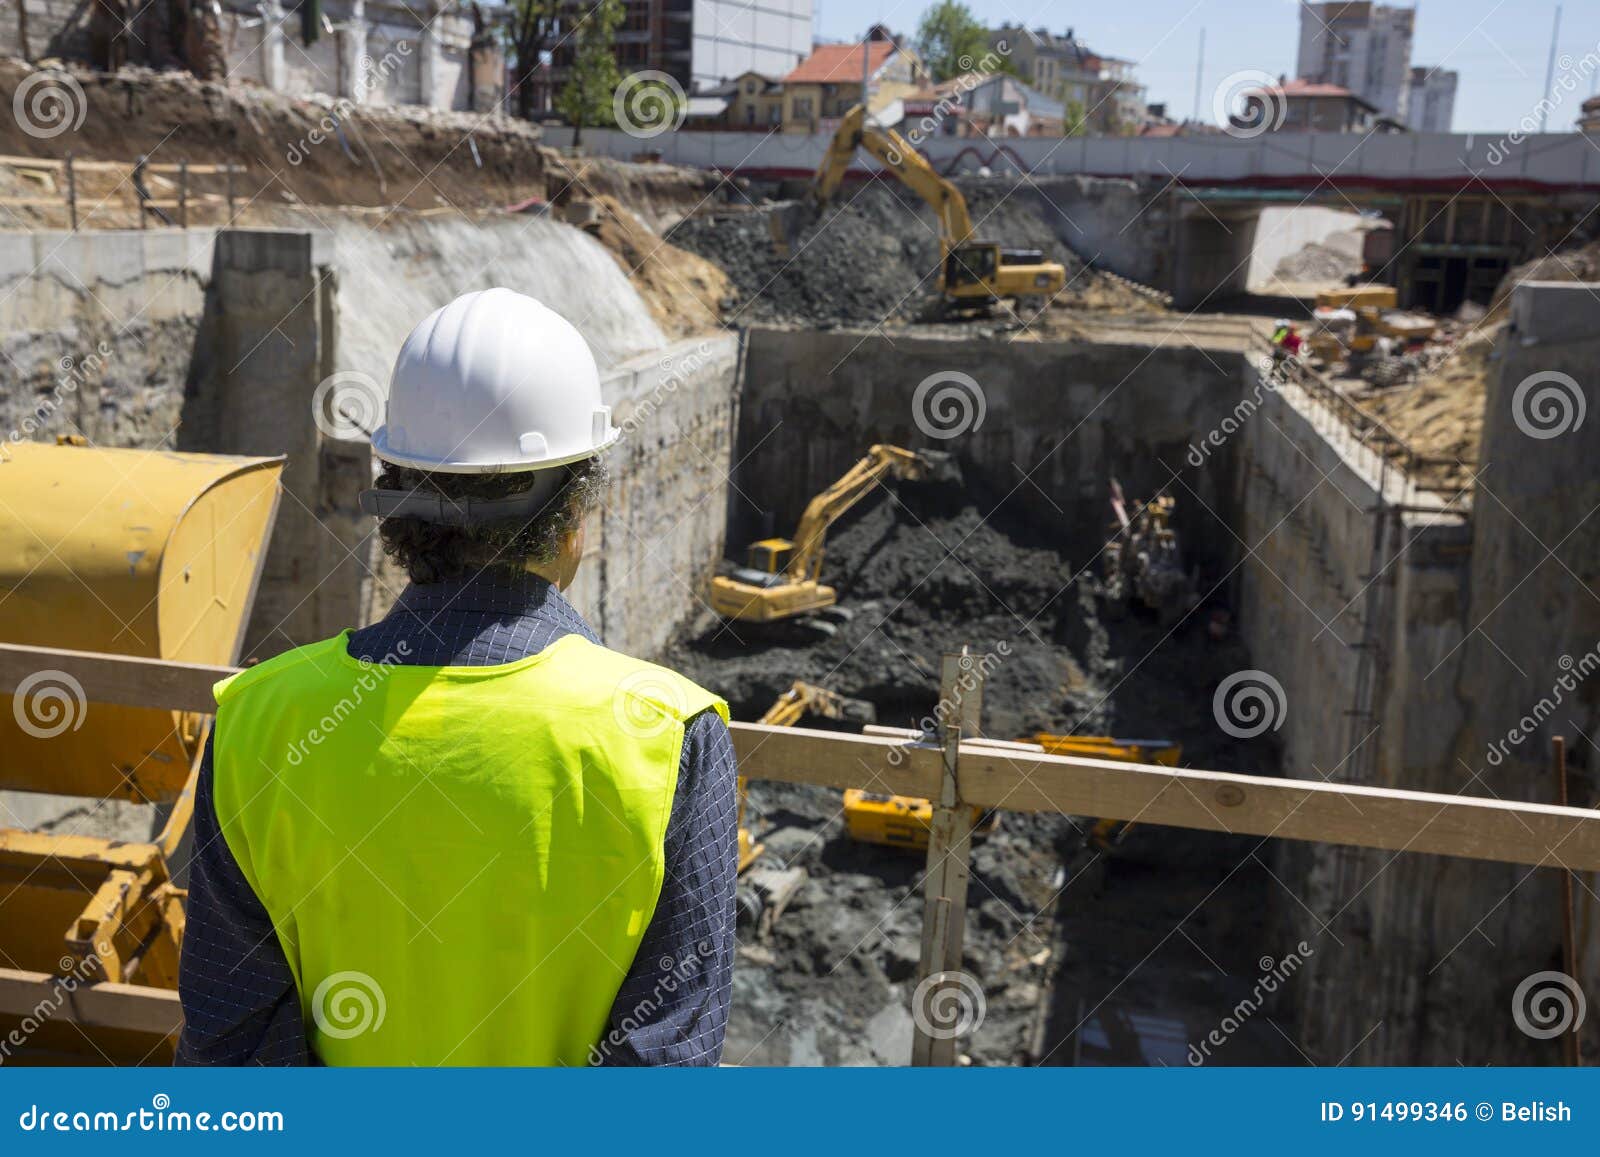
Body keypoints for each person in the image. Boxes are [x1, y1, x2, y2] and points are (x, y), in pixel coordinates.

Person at [176, 288, 738, 1066]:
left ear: (396, 502)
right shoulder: (669, 736)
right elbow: (666, 1064)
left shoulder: (256, 721)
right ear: (575, 512)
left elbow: (231, 1046)